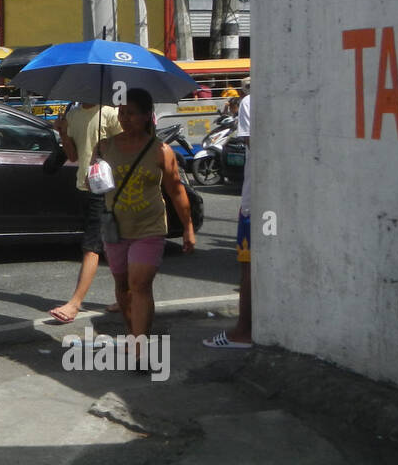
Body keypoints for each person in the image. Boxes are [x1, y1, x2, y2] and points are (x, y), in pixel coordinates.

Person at [94, 88, 196, 359]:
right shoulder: (106, 146)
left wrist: (187, 228)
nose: (124, 119)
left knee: (139, 285)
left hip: (149, 228)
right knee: (122, 286)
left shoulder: (161, 151)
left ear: (146, 116)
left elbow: (176, 190)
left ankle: (141, 348)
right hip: (115, 227)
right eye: (121, 113)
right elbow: (93, 183)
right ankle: (132, 334)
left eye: (131, 114)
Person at [49, 101, 123, 324]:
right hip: (84, 185)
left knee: (91, 246)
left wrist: (105, 150)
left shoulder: (110, 114)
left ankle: (74, 304)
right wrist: (62, 131)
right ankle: (125, 296)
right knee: (111, 244)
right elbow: (72, 156)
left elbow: (123, 149)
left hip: (105, 188)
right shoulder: (72, 116)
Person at [206, 87, 253, 348]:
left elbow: (251, 145)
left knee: (249, 267)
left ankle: (243, 331)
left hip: (254, 202)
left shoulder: (249, 103)